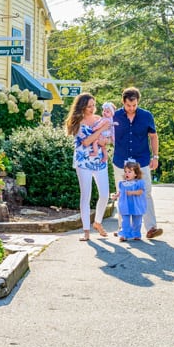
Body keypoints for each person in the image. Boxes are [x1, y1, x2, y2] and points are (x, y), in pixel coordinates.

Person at [112, 87, 163, 239]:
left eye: (134, 105)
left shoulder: (146, 116)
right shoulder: (115, 116)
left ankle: (151, 228)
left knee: (146, 192)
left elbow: (153, 137)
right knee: (123, 195)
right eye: (128, 105)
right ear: (123, 102)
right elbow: (107, 134)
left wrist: (156, 157)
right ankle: (124, 229)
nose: (131, 108)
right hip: (121, 160)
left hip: (141, 160)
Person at [65, 93, 111, 242]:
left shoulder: (99, 119)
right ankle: (86, 231)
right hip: (83, 162)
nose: (92, 108)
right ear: (82, 106)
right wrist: (100, 131)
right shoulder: (77, 122)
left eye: (93, 105)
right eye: (89, 106)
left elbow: (107, 138)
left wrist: (105, 140)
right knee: (86, 196)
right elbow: (86, 142)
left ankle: (97, 222)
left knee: (105, 194)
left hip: (100, 161)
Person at [114, 160, 146, 241]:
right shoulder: (122, 183)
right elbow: (120, 192)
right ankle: (125, 234)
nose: (127, 173)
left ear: (136, 173)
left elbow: (140, 192)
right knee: (125, 221)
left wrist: (132, 192)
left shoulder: (139, 183)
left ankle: (136, 234)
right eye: (125, 171)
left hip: (136, 206)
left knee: (137, 221)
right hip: (125, 205)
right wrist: (116, 195)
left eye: (129, 171)